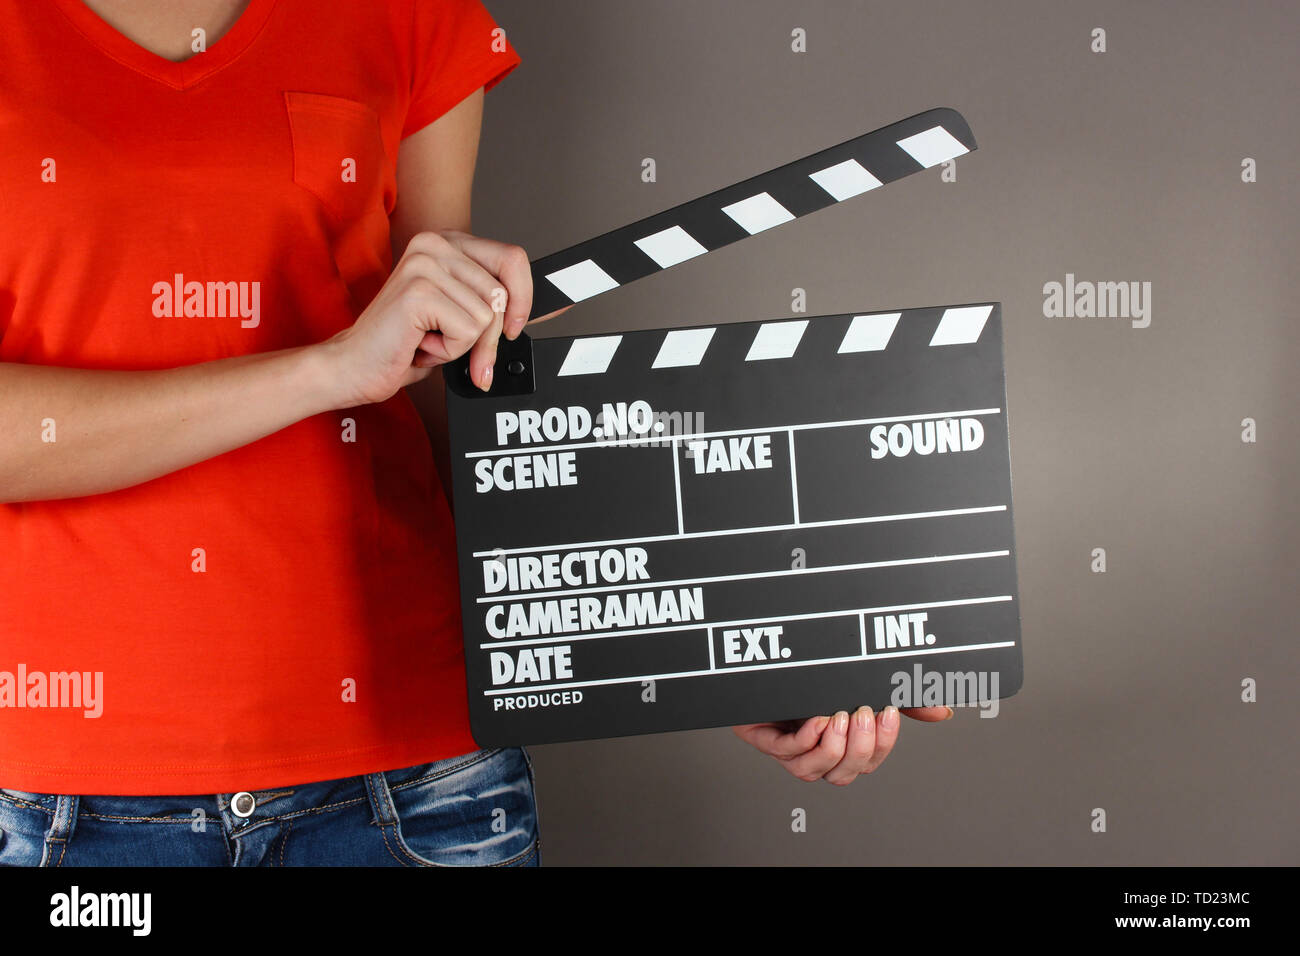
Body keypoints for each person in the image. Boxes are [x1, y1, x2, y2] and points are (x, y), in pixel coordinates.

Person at [0, 0, 950, 868]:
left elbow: (442, 382)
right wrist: (324, 368)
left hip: (417, 782)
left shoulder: (409, 14)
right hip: (67, 792)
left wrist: (711, 640)